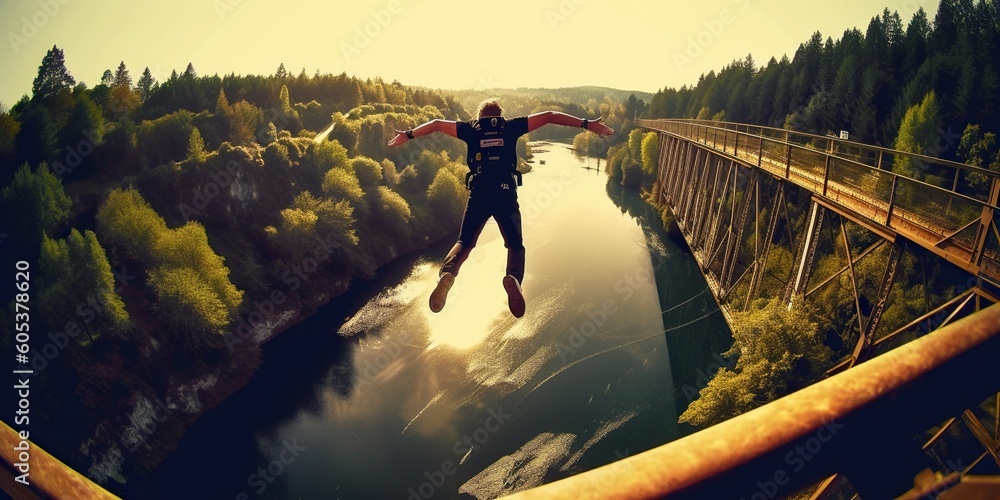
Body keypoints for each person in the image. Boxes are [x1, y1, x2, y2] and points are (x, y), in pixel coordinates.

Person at [388, 99, 614, 318]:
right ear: (500, 115)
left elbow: (437, 123)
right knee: (515, 245)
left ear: (480, 116)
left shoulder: (471, 129)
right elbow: (549, 116)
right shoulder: (510, 126)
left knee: (464, 242)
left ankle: (448, 272)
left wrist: (407, 135)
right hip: (505, 192)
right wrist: (586, 123)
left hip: (479, 191)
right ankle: (513, 278)